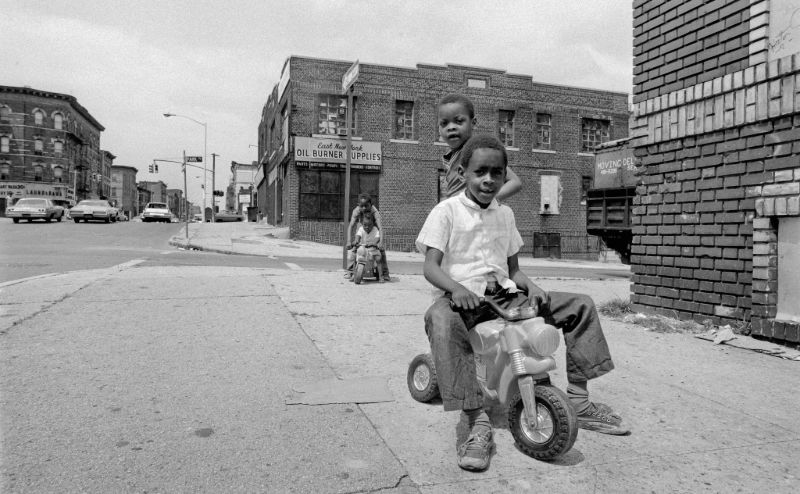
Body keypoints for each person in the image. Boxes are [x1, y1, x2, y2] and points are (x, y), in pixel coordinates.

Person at [416, 135, 627, 473]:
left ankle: (578, 400)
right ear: (464, 173)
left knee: (580, 305)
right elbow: (430, 267)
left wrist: (533, 286)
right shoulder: (446, 211)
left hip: (504, 294)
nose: (488, 180)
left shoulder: (506, 214)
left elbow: (514, 270)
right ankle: (476, 420)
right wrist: (455, 289)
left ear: (504, 175)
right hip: (464, 298)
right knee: (439, 320)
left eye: (496, 173)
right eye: (480, 172)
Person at [438, 93, 522, 201]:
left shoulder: (477, 152)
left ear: (473, 123)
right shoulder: (452, 155)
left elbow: (515, 183)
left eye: (458, 121)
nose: (451, 127)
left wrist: (484, 202)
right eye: (444, 123)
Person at [346, 194, 390, 280]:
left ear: (371, 204)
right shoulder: (356, 211)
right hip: (362, 227)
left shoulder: (375, 212)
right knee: (355, 248)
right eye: (361, 206)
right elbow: (351, 225)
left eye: (366, 206)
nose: (364, 208)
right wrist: (349, 241)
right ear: (358, 205)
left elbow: (380, 228)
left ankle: (385, 273)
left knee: (381, 251)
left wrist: (380, 242)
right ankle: (350, 271)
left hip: (373, 228)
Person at [345, 211, 383, 282]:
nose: (367, 227)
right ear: (362, 223)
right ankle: (352, 272)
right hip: (362, 248)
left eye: (369, 225)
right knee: (353, 254)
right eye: (365, 225)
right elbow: (358, 236)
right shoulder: (361, 229)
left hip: (373, 249)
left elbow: (377, 238)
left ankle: (381, 276)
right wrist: (356, 241)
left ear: (373, 224)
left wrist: (373, 243)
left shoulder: (375, 230)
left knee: (378, 259)